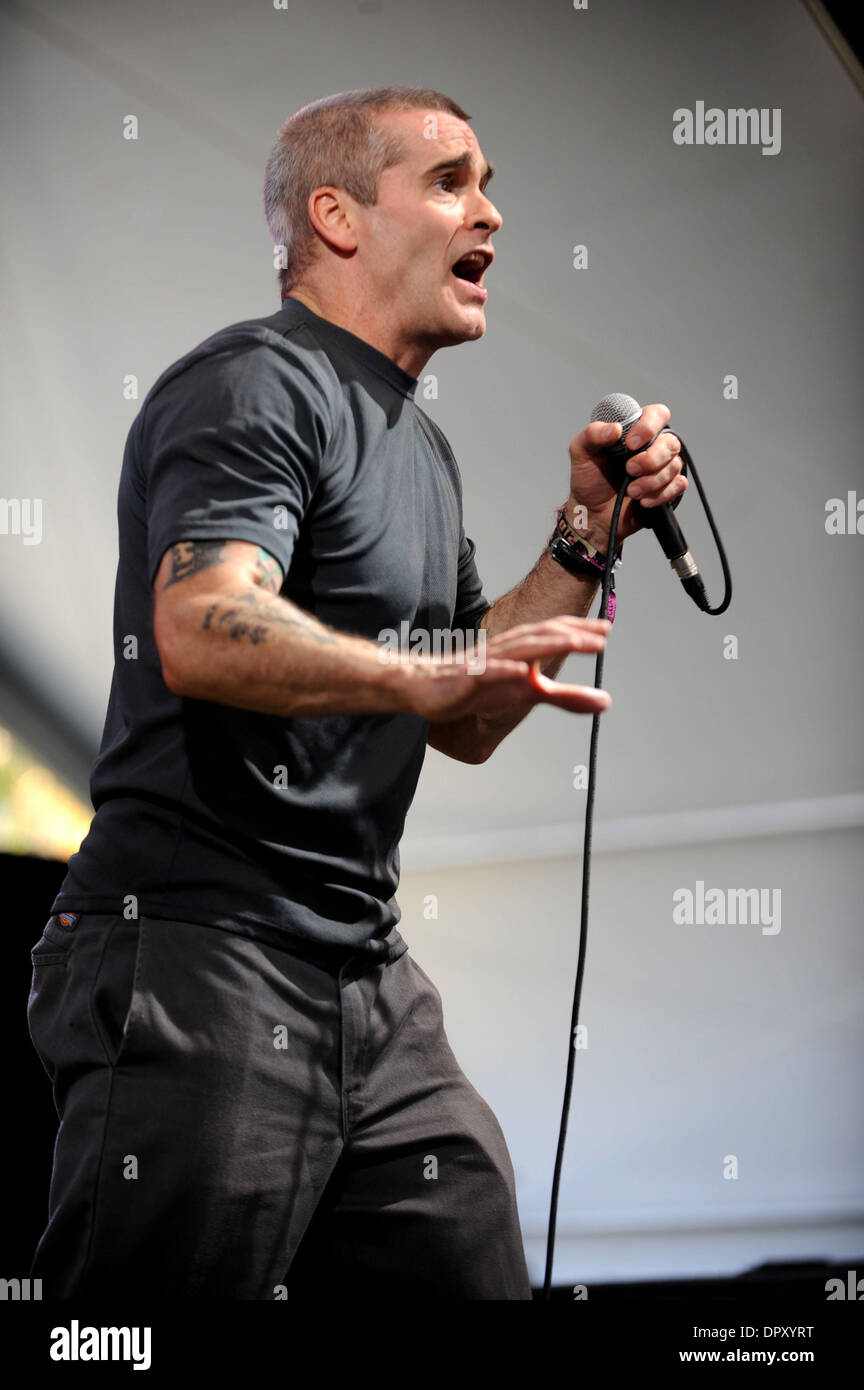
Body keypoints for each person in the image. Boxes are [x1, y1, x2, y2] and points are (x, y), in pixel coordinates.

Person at [27, 86, 687, 1301]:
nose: (489, 212)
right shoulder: (255, 385)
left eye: (489, 185)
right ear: (334, 214)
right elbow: (202, 626)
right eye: (450, 182)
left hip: (366, 977)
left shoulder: (417, 449)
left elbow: (472, 708)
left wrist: (593, 523)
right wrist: (422, 667)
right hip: (198, 948)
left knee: (471, 1253)